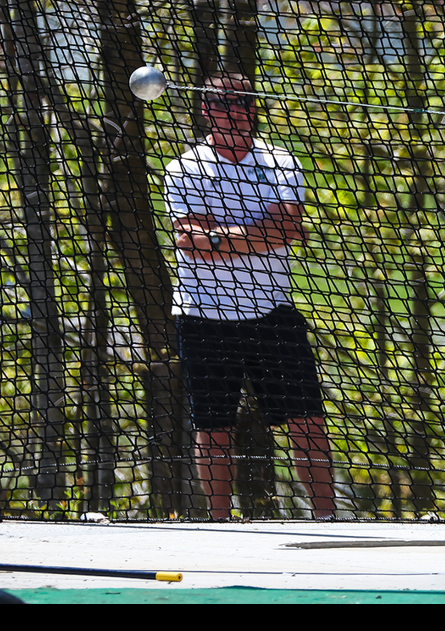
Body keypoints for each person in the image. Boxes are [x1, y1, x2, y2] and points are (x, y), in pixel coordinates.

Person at [165, 72, 336, 520]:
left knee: (308, 421)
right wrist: (257, 235)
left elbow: (290, 229)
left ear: (252, 107)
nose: (233, 111)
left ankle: (328, 519)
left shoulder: (280, 161)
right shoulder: (185, 168)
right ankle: (219, 523)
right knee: (214, 425)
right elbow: (188, 240)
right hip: (204, 314)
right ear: (206, 111)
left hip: (271, 311)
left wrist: (218, 238)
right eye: (222, 104)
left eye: (241, 102)